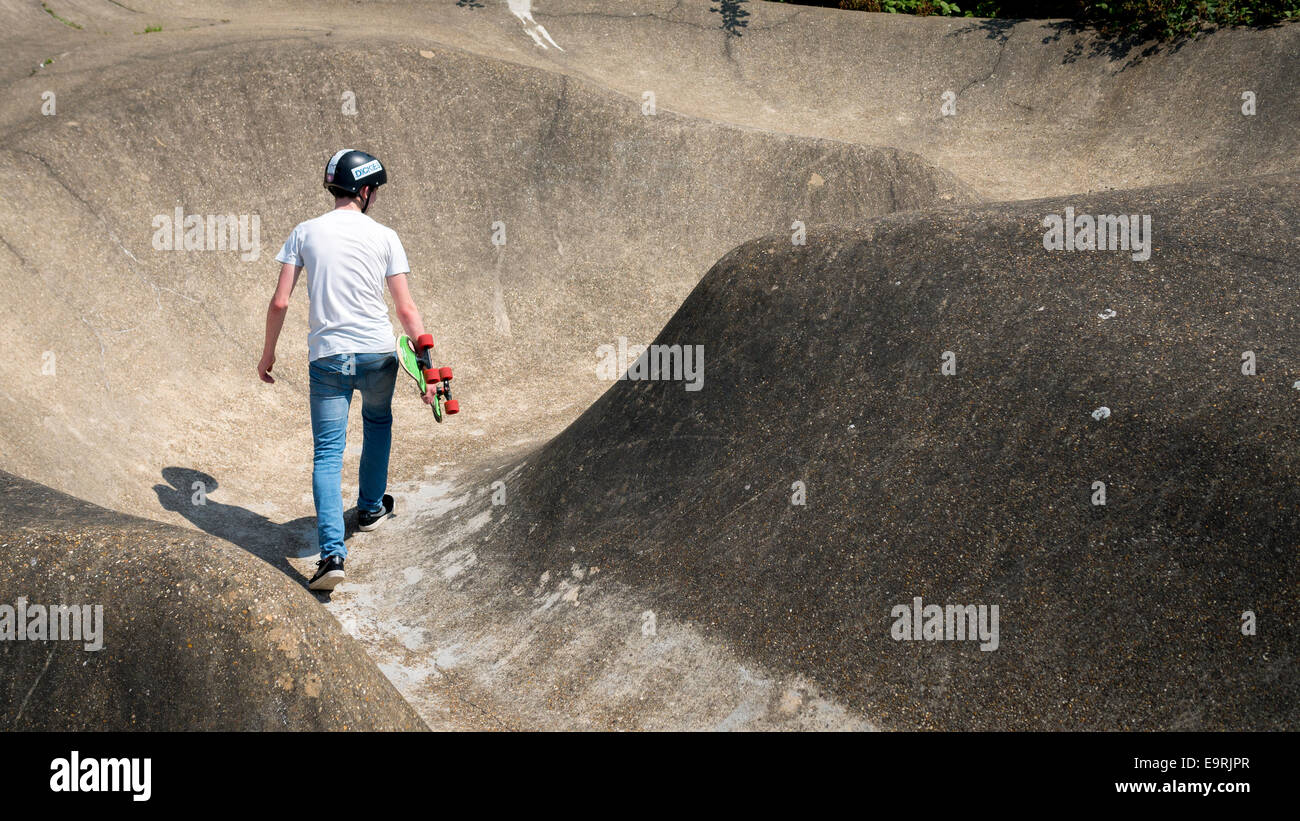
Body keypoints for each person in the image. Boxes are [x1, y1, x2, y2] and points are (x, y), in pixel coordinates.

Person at [258, 149, 436, 591]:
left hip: (329, 357)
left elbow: (280, 302)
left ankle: (333, 554)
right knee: (377, 422)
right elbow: (406, 308)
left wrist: (268, 354)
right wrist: (430, 369)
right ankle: (372, 507)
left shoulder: (304, 232)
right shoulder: (385, 236)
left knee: (327, 455)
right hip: (378, 353)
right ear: (366, 190)